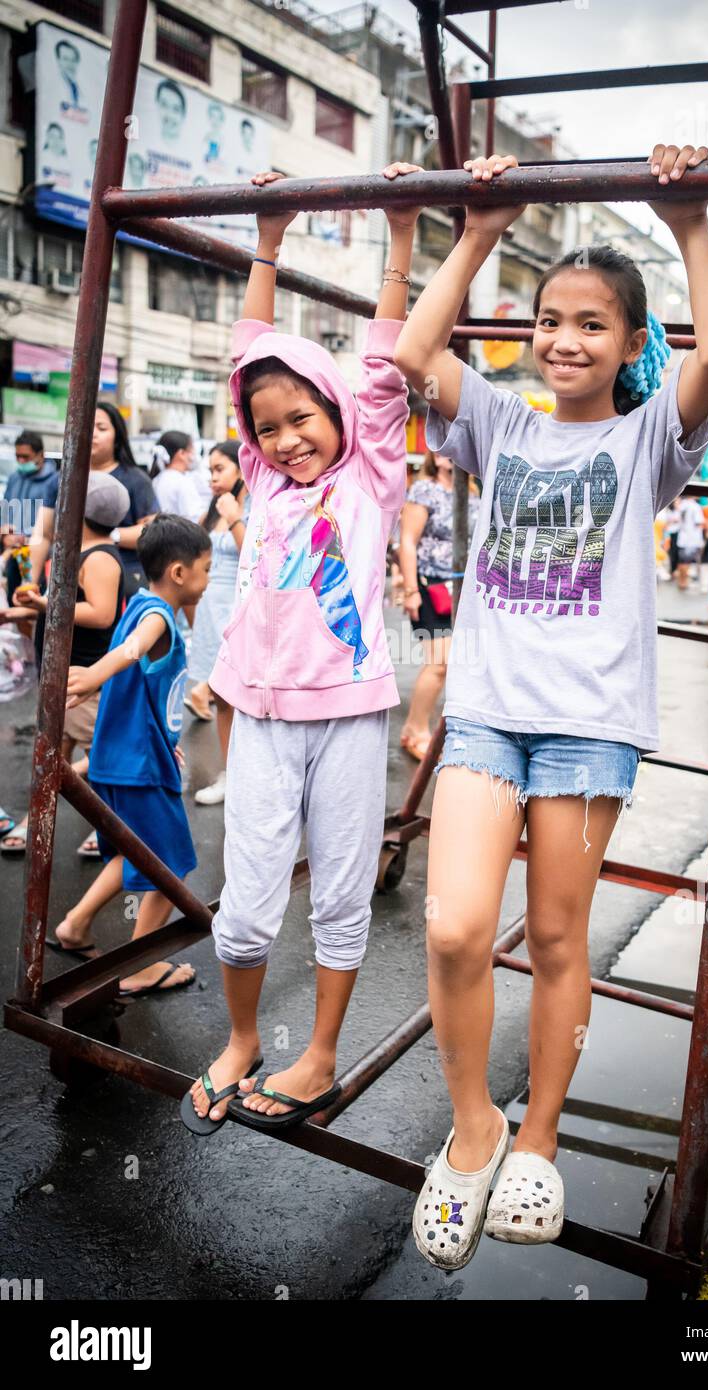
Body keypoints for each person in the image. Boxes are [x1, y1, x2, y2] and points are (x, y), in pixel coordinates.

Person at [392, 143, 708, 1269]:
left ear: (631, 343)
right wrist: (480, 229)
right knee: (451, 927)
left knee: (551, 935)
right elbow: (410, 352)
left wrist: (682, 218)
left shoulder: (648, 442)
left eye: (592, 323)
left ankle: (537, 1138)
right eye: (549, 318)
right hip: (490, 712)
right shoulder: (500, 423)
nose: (564, 338)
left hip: (586, 726)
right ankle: (473, 1130)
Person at [181, 164, 419, 1136]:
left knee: (341, 894)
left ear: (337, 413)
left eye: (301, 419)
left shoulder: (369, 470)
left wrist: (401, 237)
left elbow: (383, 358)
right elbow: (247, 347)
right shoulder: (263, 484)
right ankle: (240, 1040)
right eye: (266, 429)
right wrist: (264, 238)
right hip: (265, 718)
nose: (285, 441)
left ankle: (316, 1056)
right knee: (242, 908)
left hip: (353, 717)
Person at [54, 515, 211, 994]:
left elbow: (148, 689)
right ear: (180, 573)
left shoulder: (143, 601)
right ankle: (142, 967)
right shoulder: (157, 616)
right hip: (139, 766)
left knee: (134, 852)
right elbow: (133, 647)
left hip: (129, 758)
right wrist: (93, 674)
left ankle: (75, 927)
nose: (208, 580)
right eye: (205, 569)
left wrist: (167, 741)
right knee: (171, 862)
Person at [0, 473, 127, 859]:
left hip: (83, 677)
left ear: (78, 512)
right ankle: (38, 820)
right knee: (53, 754)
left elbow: (101, 614)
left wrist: (42, 605)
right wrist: (17, 612)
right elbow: (66, 611)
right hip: (63, 674)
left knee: (101, 757)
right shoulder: (80, 550)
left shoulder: (101, 557)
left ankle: (109, 828)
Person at [398, 450, 480, 759]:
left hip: (464, 588)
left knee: (458, 664)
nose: (449, 454)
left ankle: (430, 728)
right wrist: (409, 589)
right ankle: (414, 731)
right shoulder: (424, 489)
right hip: (430, 585)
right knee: (439, 663)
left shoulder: (472, 492)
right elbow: (407, 541)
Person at [31, 403, 159, 598]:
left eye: (101, 428)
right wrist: (30, 581)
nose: (93, 434)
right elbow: (43, 533)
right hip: (65, 579)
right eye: (88, 426)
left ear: (117, 436)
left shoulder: (136, 479)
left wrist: (107, 535)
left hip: (120, 579)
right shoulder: (61, 479)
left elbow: (151, 531)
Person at [185, 441, 249, 802]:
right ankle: (229, 776)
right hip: (211, 608)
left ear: (241, 469)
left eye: (220, 468)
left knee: (246, 696)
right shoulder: (213, 509)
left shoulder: (253, 503)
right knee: (222, 696)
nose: (213, 476)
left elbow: (256, 558)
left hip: (240, 608)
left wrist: (236, 516)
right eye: (210, 470)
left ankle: (251, 776)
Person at [1, 432, 56, 605]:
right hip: (13, 552)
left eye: (26, 457)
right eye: (18, 457)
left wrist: (27, 538)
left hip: (37, 555)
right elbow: (5, 510)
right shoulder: (14, 478)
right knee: (13, 598)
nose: (21, 461)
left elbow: (50, 526)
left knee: (33, 601)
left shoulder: (53, 482)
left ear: (41, 455)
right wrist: (5, 533)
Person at [150, 431, 201, 520]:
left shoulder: (156, 479)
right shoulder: (182, 482)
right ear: (181, 453)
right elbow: (193, 518)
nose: (194, 455)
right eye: (192, 450)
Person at [673, 492, 706, 589]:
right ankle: (684, 582)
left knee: (682, 561)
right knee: (687, 562)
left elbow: (675, 519)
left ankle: (681, 581)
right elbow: (699, 523)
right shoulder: (695, 507)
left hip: (682, 537)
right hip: (692, 539)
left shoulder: (682, 505)